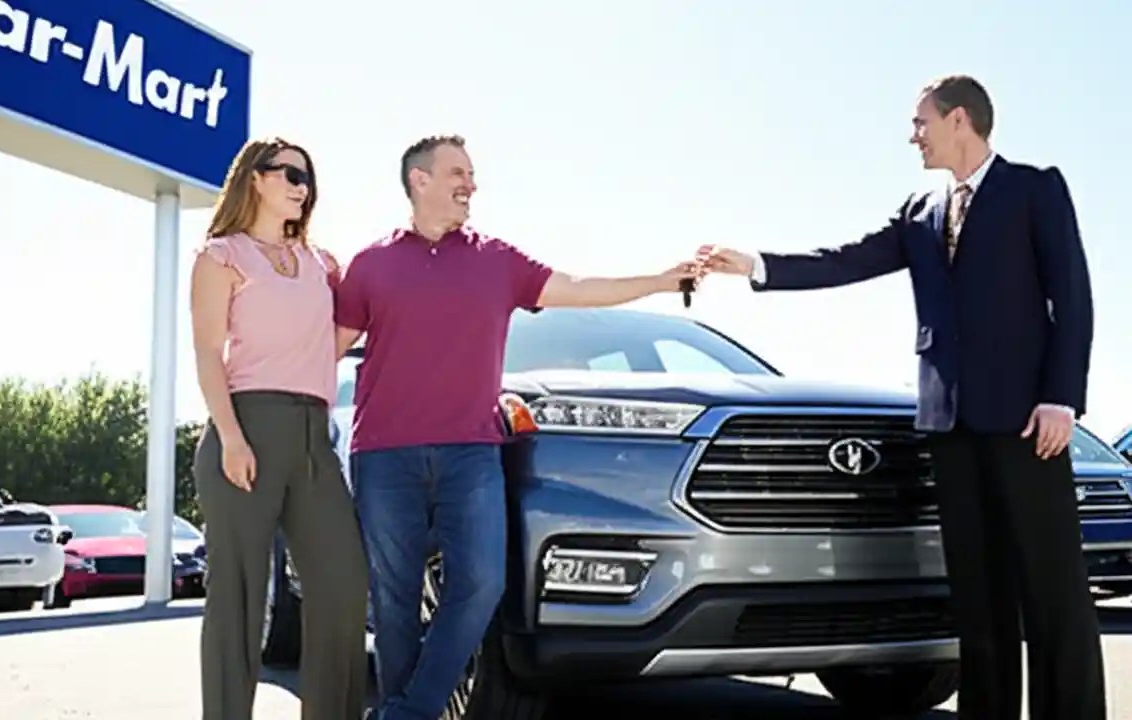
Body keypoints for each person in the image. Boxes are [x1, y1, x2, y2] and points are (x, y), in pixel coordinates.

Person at [701, 75, 1104, 720]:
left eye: (921, 122)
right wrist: (757, 264)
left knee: (1053, 593)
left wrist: (1062, 397)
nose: (911, 135)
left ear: (960, 121)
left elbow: (1074, 298)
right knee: (978, 597)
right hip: (949, 425)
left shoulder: (1034, 188)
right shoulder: (921, 210)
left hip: (1030, 423)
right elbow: (847, 260)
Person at [333, 134, 707, 720]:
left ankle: (406, 712)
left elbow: (580, 290)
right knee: (394, 600)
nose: (471, 185)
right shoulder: (370, 264)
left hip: (472, 453)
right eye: (458, 172)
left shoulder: (496, 260)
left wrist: (659, 280)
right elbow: (328, 347)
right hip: (385, 453)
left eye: (473, 174)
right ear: (419, 181)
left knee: (482, 583)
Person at [189, 137, 369, 720]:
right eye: (289, 173)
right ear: (255, 179)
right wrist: (232, 438)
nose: (301, 186)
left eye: (307, 178)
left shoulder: (324, 265)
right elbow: (208, 354)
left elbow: (335, 339)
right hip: (246, 429)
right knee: (237, 601)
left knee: (343, 587)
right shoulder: (221, 256)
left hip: (314, 436)